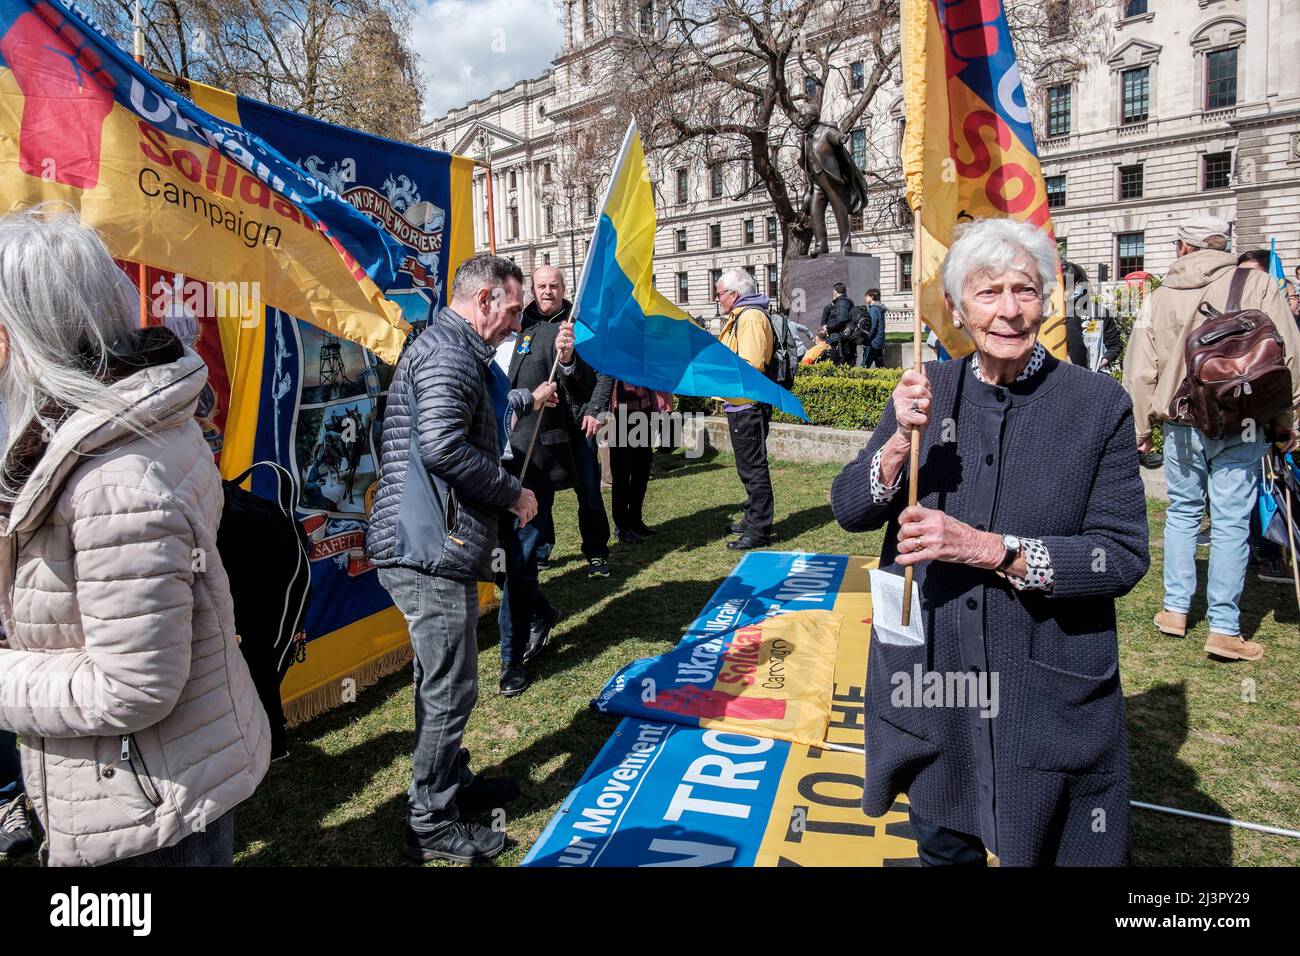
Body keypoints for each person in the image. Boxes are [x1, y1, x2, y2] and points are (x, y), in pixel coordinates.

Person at [831, 217, 1149, 866]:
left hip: (1043, 700)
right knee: (946, 846)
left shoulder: (1097, 405)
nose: (1009, 310)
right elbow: (849, 508)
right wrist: (895, 445)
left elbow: (1119, 556)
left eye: (1025, 290)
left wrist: (986, 548)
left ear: (1048, 298)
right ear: (954, 308)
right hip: (934, 688)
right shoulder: (925, 389)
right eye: (987, 292)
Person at [0, 207, 271, 866]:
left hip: (154, 811)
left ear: (28, 334)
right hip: (130, 788)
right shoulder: (86, 443)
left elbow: (136, 685)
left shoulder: (116, 481)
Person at [367, 254, 538, 863]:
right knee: (452, 688)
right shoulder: (449, 351)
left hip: (432, 542)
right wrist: (510, 491)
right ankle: (431, 821)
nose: (518, 325)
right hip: (429, 548)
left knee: (438, 681)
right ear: (485, 299)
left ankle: (449, 781)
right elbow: (441, 446)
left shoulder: (453, 348)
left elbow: (455, 425)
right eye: (515, 310)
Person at [1124, 216, 1300, 662]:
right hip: (1240, 416)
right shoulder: (1257, 283)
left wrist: (1140, 429)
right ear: (1224, 244)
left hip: (1182, 419)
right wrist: (1287, 420)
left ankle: (1174, 610)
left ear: (1184, 247)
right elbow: (1288, 356)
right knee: (1230, 521)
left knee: (1183, 512)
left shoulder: (1159, 295)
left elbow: (1140, 368)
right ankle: (1223, 627)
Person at [494, 305, 582, 696]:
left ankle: (511, 660)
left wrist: (567, 360)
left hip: (532, 466)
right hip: (484, 468)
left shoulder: (546, 336)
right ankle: (541, 611)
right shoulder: (469, 348)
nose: (515, 320)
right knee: (490, 560)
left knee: (518, 562)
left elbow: (577, 385)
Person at [520, 265, 613, 579]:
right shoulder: (520, 324)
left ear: (564, 288)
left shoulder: (580, 324)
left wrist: (594, 409)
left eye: (554, 286)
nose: (548, 291)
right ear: (533, 290)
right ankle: (542, 549)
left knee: (588, 493)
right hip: (537, 428)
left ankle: (597, 552)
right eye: (542, 286)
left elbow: (603, 373)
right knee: (539, 494)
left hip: (576, 425)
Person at [1237, 253, 1297, 583]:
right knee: (1244, 496)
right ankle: (1264, 554)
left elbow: (1288, 359)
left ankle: (1271, 553)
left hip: (1264, 412)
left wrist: (1287, 418)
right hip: (1231, 418)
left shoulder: (1272, 302)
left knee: (1267, 487)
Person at [715, 268, 775, 550]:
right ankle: (753, 518)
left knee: (753, 469)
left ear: (734, 294)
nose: (718, 300)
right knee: (747, 467)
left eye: (719, 294)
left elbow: (749, 365)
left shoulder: (749, 317)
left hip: (747, 405)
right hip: (740, 404)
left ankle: (759, 529)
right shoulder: (742, 316)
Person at [609, 379, 671, 543]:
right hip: (619, 415)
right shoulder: (612, 356)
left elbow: (650, 385)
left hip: (643, 413)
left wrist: (655, 411)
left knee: (641, 472)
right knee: (622, 475)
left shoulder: (641, 357)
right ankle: (622, 527)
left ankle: (635, 520)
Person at [820, 281, 855, 365]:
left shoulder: (842, 302)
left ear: (835, 292)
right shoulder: (844, 302)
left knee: (835, 364)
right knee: (843, 363)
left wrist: (828, 327)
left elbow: (841, 319)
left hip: (839, 339)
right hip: (841, 339)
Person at [859, 288, 887, 368]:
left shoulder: (873, 310)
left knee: (864, 366)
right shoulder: (879, 308)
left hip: (872, 342)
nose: (865, 298)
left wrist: (866, 339)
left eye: (866, 296)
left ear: (871, 297)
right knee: (880, 366)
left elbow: (872, 326)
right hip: (879, 341)